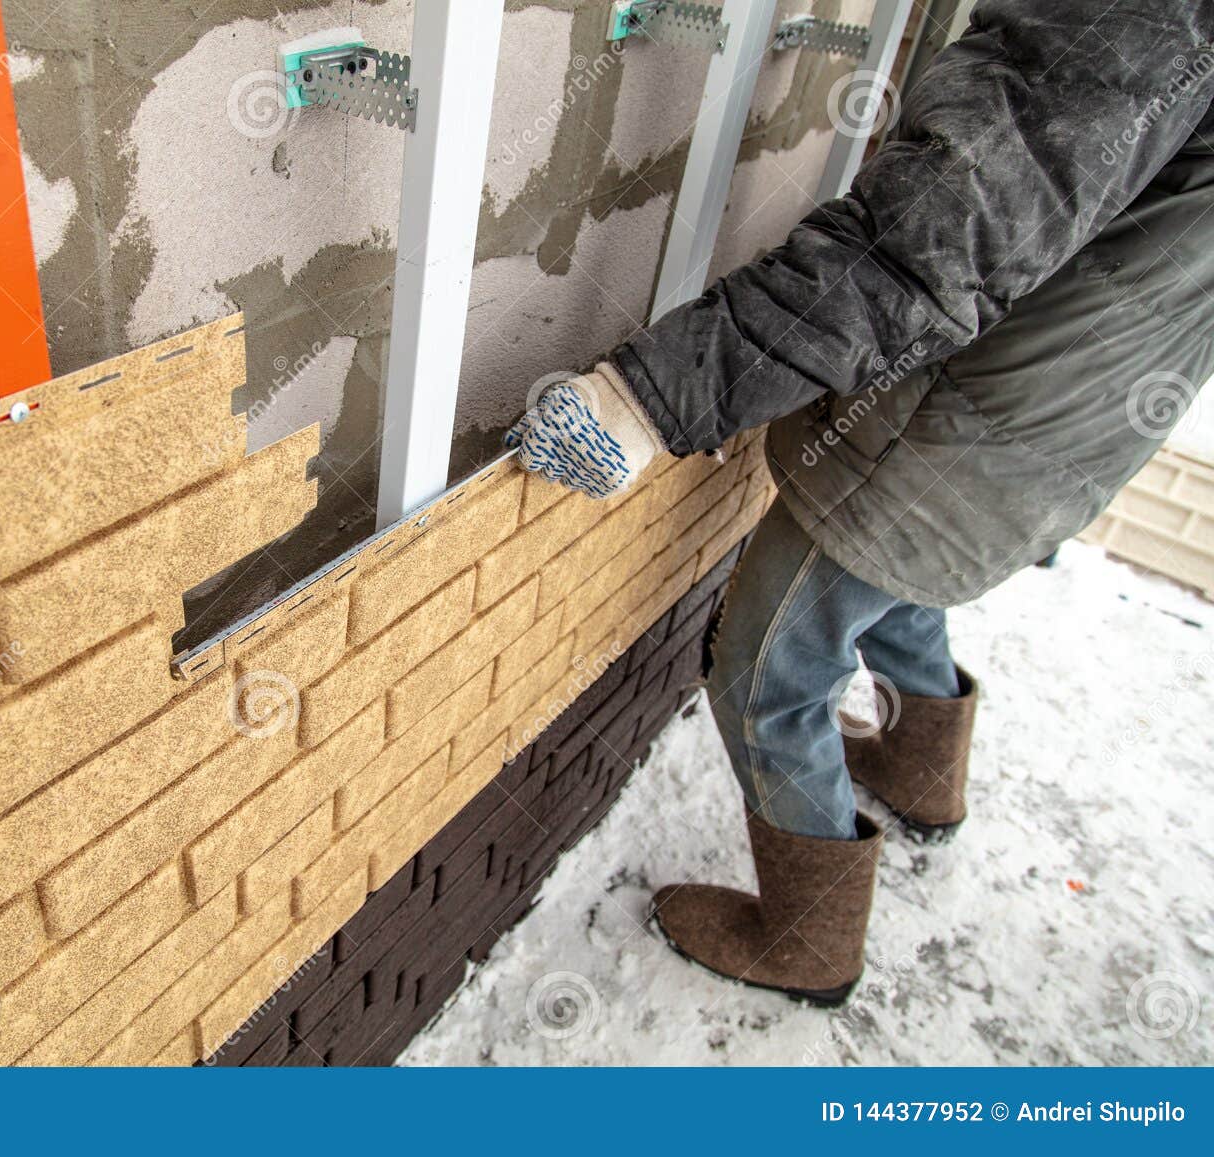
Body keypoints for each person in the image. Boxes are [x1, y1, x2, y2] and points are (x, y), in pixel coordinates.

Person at [506, 0, 1214, 1005]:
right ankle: (923, 769)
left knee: (767, 669)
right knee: (895, 574)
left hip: (961, 418)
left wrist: (647, 397)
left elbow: (927, 243)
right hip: (1062, 422)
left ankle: (807, 937)